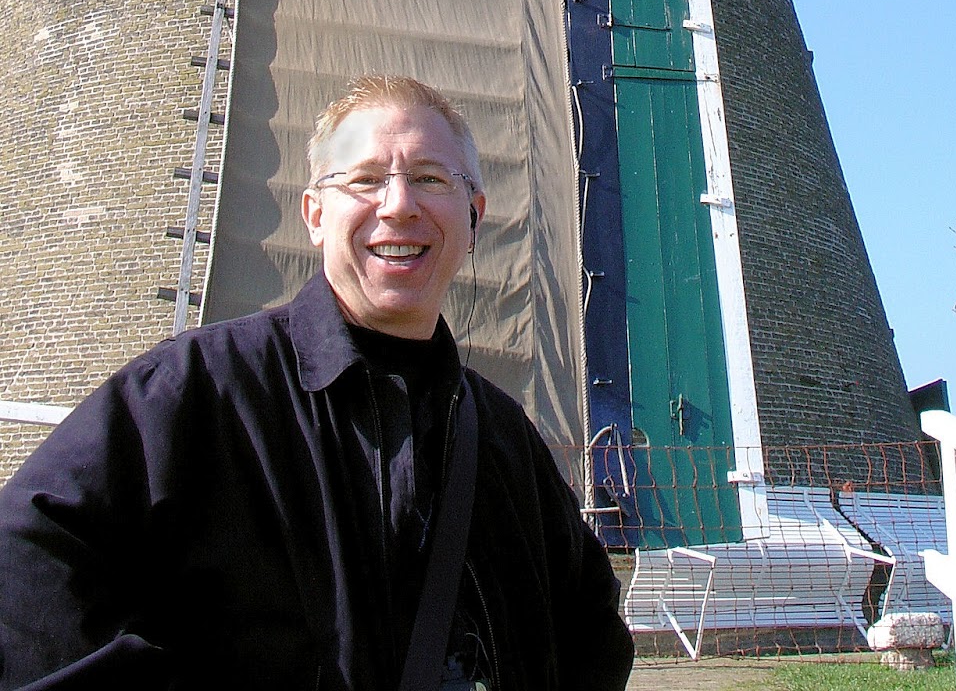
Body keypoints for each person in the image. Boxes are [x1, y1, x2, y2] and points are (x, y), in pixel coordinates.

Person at [0, 75, 634, 690]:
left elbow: (592, 630)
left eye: (430, 179)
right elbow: (26, 568)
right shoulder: (199, 393)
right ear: (315, 213)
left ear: (473, 217)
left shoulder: (503, 437)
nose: (398, 204)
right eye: (363, 180)